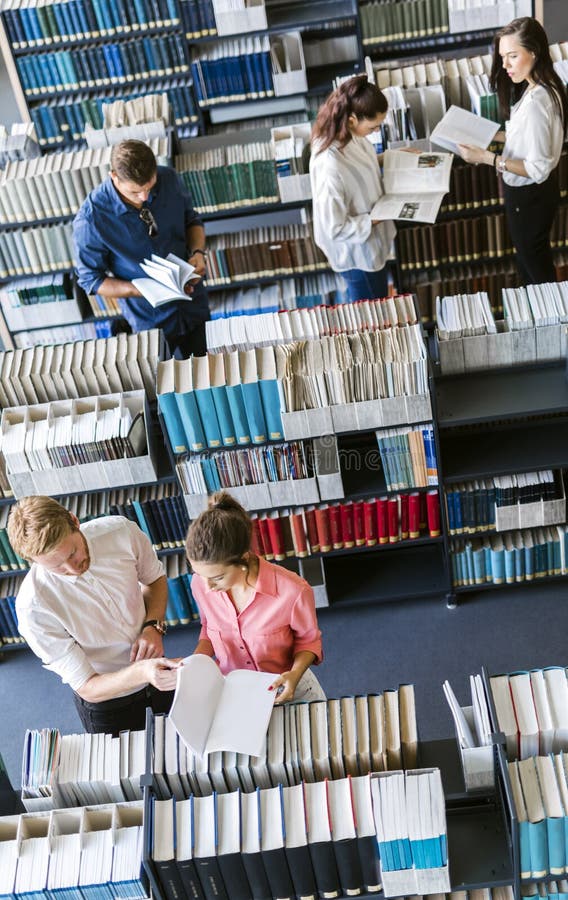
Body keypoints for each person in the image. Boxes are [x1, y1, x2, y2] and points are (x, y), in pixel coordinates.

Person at [8, 496, 181, 735]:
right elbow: (86, 686)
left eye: (72, 553)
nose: (71, 570)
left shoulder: (121, 532)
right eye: (56, 567)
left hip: (160, 671)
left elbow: (154, 579)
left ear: (74, 520)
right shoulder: (33, 609)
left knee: (181, 754)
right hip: (108, 703)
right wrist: (142, 672)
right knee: (123, 772)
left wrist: (153, 626)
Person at [73, 139, 210, 357]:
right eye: (135, 192)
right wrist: (144, 290)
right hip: (151, 320)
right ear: (114, 177)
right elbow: (91, 280)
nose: (145, 197)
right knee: (165, 386)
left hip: (193, 303)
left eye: (149, 186)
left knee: (209, 375)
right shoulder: (91, 220)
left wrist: (198, 253)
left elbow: (191, 220)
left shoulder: (169, 178)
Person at [457, 16, 567, 285]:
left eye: (512, 56)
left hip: (530, 195)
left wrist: (486, 158)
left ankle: (554, 323)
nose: (504, 65)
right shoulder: (541, 87)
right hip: (535, 194)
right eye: (503, 56)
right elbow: (527, 137)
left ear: (534, 52)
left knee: (535, 269)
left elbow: (537, 168)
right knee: (531, 262)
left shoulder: (538, 101)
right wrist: (490, 135)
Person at [185, 492, 325, 703]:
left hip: (288, 690)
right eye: (201, 575)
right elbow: (208, 629)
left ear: (243, 558)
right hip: (236, 694)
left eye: (218, 577)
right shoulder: (200, 584)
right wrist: (196, 662)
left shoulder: (293, 591)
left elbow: (308, 642)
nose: (208, 586)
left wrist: (294, 675)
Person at [310, 74, 397, 303]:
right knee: (370, 320)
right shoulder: (329, 165)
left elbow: (359, 166)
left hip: (371, 242)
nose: (376, 132)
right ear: (351, 119)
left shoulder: (348, 133)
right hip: (357, 255)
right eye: (373, 126)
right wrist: (376, 219)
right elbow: (335, 228)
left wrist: (390, 158)